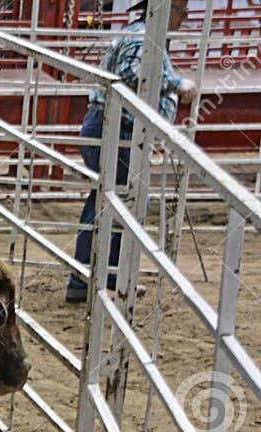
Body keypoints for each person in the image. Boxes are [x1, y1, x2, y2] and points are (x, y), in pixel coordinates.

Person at [67, 0, 196, 303]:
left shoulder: (141, 35)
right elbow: (130, 72)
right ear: (160, 9)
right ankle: (93, 277)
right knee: (117, 201)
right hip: (118, 129)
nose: (184, 16)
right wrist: (176, 85)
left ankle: (101, 276)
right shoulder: (144, 38)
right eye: (180, 8)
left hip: (114, 127)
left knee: (110, 200)